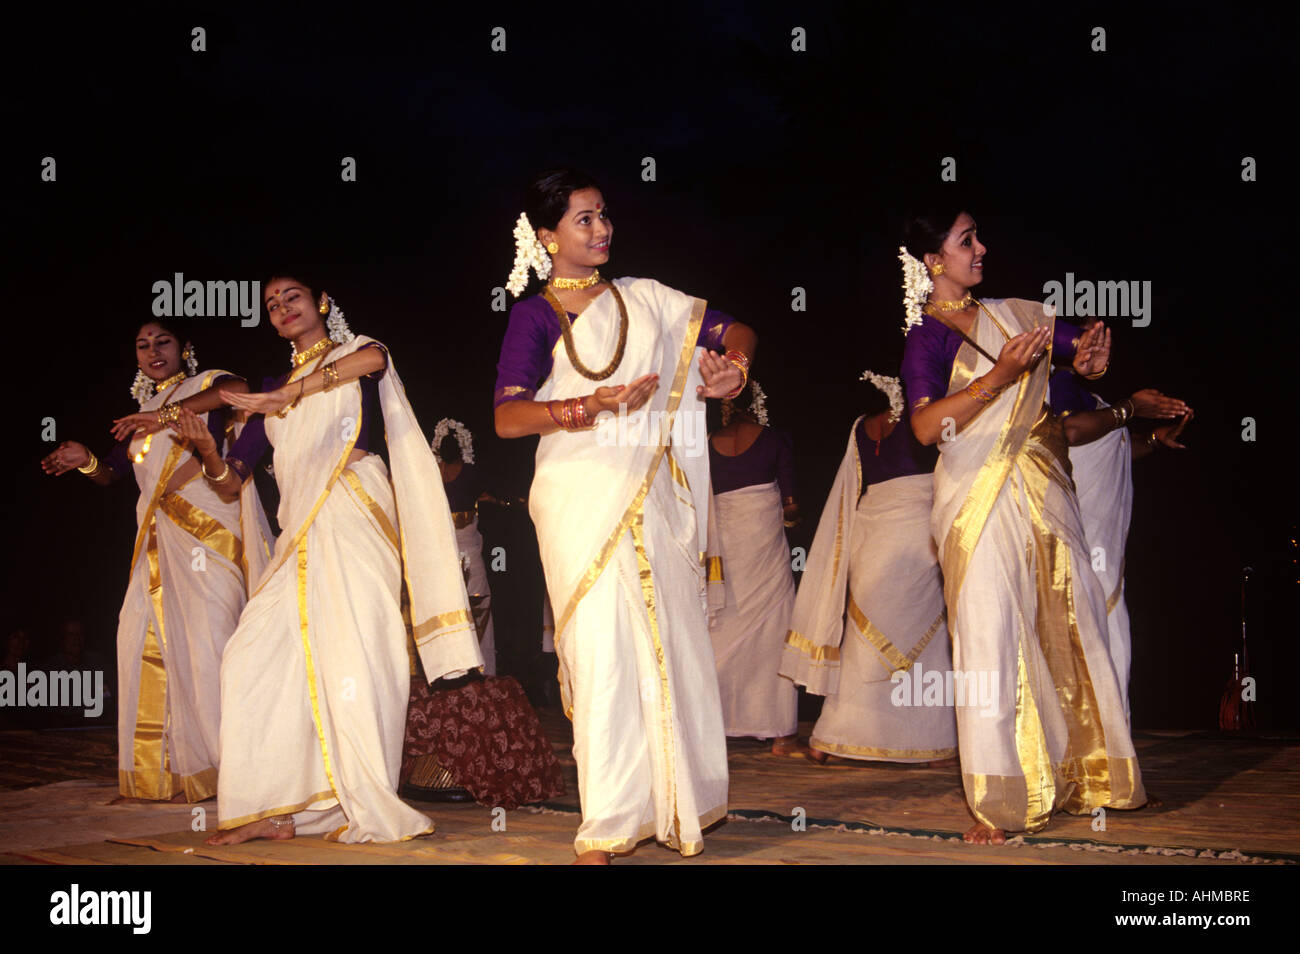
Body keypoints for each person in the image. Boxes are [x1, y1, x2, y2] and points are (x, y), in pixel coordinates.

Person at [493, 168, 755, 862]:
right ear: (547, 236)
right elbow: (509, 418)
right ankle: (606, 822)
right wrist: (589, 406)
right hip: (579, 493)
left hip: (652, 494)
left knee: (669, 641)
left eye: (604, 214)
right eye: (583, 219)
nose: (602, 228)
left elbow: (736, 329)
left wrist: (733, 367)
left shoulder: (649, 299)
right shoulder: (535, 315)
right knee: (601, 651)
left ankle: (676, 803)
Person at [193, 276, 482, 845]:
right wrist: (205, 446)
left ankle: (366, 797)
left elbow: (377, 359)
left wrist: (291, 395)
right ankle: (280, 807)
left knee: (353, 656)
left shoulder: (355, 354)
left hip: (354, 510)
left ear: (321, 303)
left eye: (292, 297)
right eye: (272, 305)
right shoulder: (271, 391)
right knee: (251, 656)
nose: (282, 308)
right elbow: (230, 481)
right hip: (300, 531)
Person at [899, 209, 1151, 844]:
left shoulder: (1017, 316)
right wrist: (999, 377)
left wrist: (1090, 359)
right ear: (933, 260)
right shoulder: (925, 337)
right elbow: (926, 428)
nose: (981, 248)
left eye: (978, 236)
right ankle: (1001, 800)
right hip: (976, 497)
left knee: (1073, 620)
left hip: (1045, 490)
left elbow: (1079, 350)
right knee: (989, 636)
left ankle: (1091, 777)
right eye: (966, 241)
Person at [40, 320, 270, 802]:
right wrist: (85, 460)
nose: (152, 351)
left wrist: (164, 416)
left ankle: (231, 775)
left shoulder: (204, 385)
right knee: (139, 641)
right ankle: (161, 775)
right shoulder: (142, 414)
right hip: (155, 543)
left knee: (206, 646)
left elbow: (238, 390)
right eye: (143, 345)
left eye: (162, 341)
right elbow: (112, 473)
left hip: (206, 536)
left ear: (185, 347)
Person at [781, 372, 958, 765]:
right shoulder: (925, 422)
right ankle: (929, 744)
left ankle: (833, 736)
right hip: (917, 531)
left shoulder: (862, 426)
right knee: (927, 637)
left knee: (862, 639)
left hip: (868, 533)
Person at [1049, 366, 1192, 721]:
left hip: (1103, 541)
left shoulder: (1095, 401)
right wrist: (1131, 408)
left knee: (1110, 630)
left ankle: (1109, 732)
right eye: (1092, 342)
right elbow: (1071, 431)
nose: (1102, 351)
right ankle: (1092, 733)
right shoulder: (1059, 381)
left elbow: (1107, 448)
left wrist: (1154, 439)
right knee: (1091, 627)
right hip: (1080, 535)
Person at [707, 380, 801, 753]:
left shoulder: (707, 442)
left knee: (720, 624)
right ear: (757, 403)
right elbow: (791, 504)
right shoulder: (774, 439)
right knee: (773, 628)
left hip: (722, 545)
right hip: (764, 546)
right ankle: (780, 733)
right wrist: (791, 517)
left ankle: (711, 722)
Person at [432, 419, 498, 675]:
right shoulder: (471, 473)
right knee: (478, 602)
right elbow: (487, 491)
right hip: (466, 548)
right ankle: (481, 667)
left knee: (447, 603)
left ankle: (450, 667)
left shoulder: (431, 473)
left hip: (441, 550)